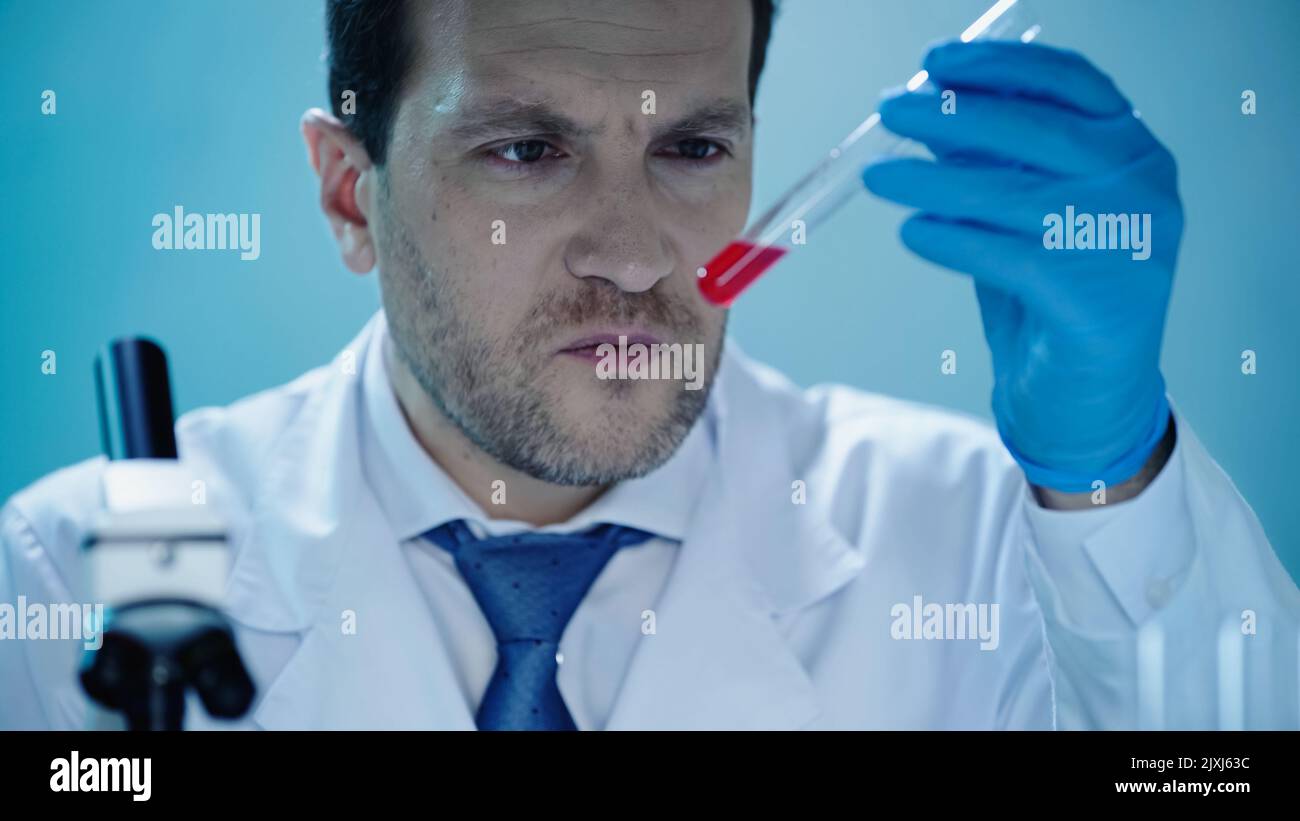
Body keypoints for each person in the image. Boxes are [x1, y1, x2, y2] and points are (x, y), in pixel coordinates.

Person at [3, 0, 1297, 730]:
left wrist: (1113, 480)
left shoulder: (970, 543)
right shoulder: (63, 587)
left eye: (688, 150)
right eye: (525, 151)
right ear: (351, 196)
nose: (631, 257)